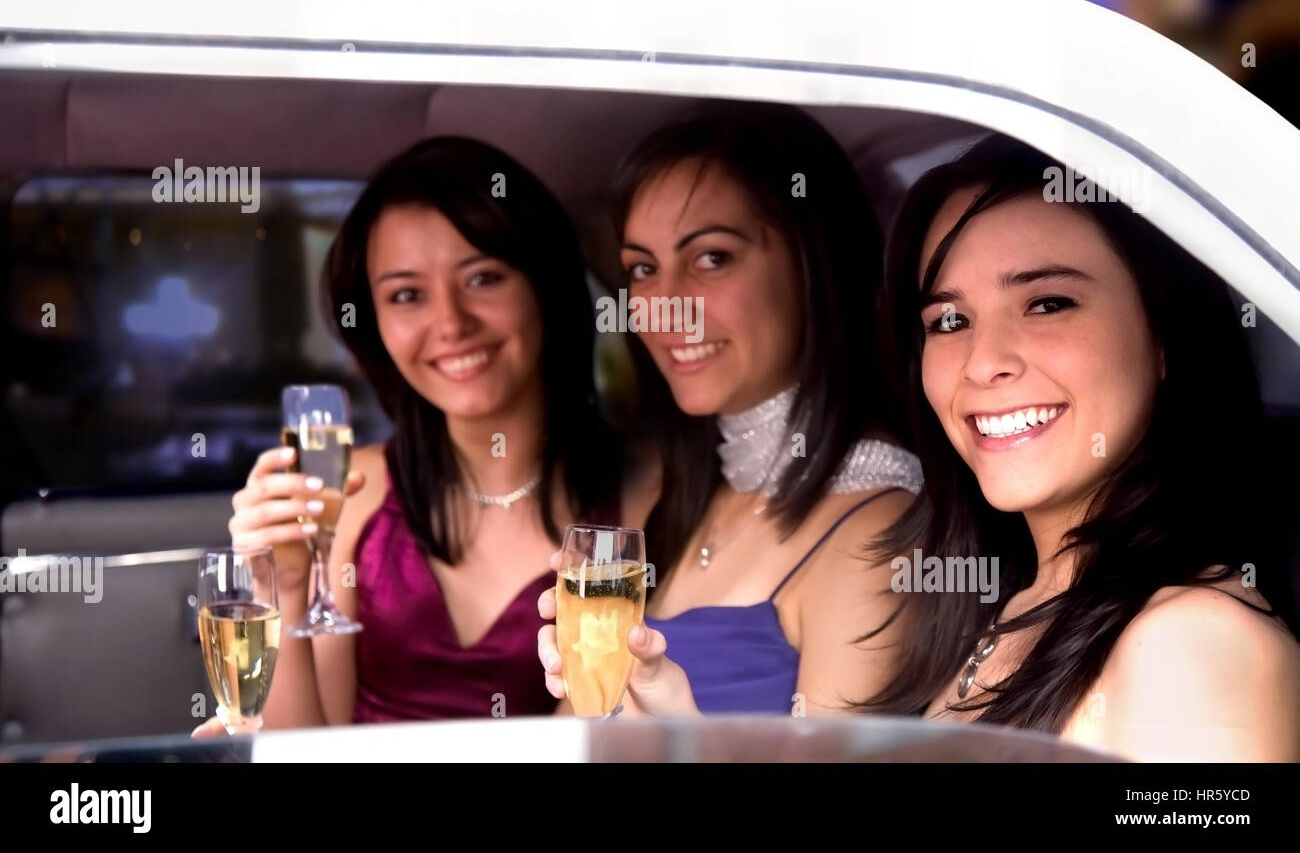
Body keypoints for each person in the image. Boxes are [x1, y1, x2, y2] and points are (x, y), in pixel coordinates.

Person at [865, 134, 1300, 760]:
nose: (982, 363)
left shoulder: (1192, 642)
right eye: (949, 321)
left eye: (1047, 304)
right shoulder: (1004, 604)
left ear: (1164, 335)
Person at [199, 136, 622, 731]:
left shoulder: (637, 509)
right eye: (407, 295)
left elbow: (590, 736)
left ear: (544, 286)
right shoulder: (351, 495)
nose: (450, 323)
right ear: (374, 325)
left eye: (483, 279)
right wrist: (286, 587)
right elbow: (303, 753)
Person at [538, 101, 921, 715]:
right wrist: (596, 697)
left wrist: (677, 737)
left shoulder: (881, 535)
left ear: (812, 262)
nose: (665, 307)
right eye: (642, 269)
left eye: (711, 258)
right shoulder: (673, 494)